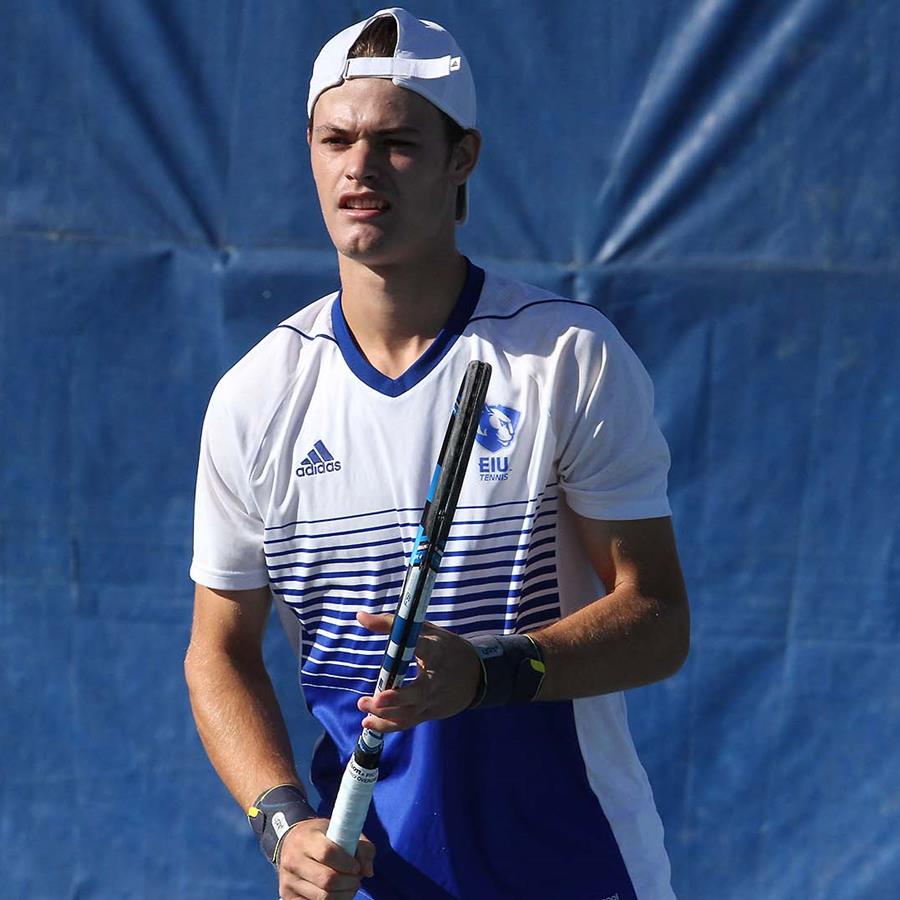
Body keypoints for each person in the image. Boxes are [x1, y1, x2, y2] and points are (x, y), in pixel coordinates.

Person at [184, 8, 689, 899]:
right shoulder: (255, 400)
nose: (361, 167)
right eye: (337, 140)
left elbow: (656, 617)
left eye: (397, 143)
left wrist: (491, 672)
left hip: (577, 872)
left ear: (463, 158)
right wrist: (283, 821)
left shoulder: (566, 358)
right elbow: (218, 651)